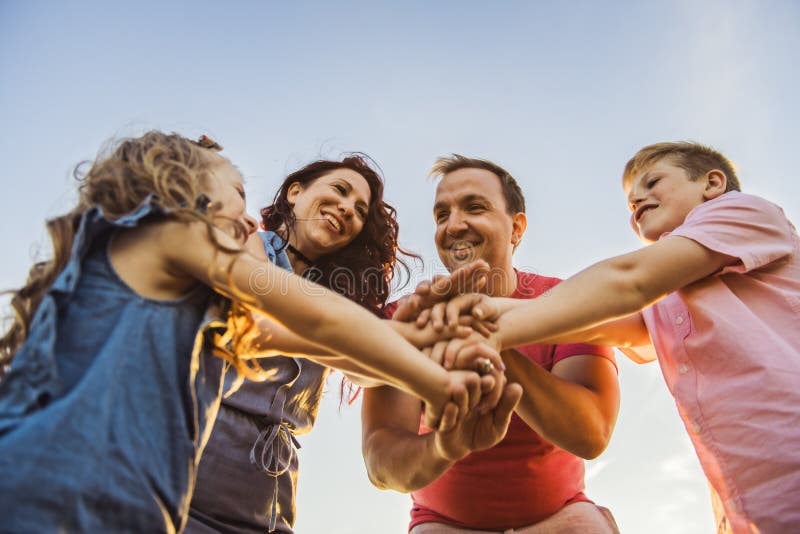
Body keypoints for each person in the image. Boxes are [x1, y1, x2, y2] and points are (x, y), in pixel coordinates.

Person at [0, 132, 489, 532]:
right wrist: (421, 365)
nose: (248, 214)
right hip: (101, 488)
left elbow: (329, 338)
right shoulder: (212, 247)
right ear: (179, 189)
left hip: (219, 500)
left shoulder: (210, 271)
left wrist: (408, 347)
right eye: (237, 194)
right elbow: (296, 324)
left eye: (361, 210)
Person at [439, 142, 800, 533]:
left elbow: (627, 281)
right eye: (630, 202)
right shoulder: (668, 295)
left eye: (653, 181)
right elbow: (592, 321)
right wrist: (462, 317)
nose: (637, 201)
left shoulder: (744, 213)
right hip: (748, 501)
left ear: (712, 183)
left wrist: (482, 327)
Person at [186, 155, 503, 534]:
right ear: (296, 191)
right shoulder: (250, 243)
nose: (347, 210)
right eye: (339, 190)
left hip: (270, 490)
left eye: (359, 210)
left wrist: (409, 346)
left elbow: (362, 371)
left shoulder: (336, 298)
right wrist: (384, 341)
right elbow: (259, 321)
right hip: (199, 457)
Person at [361, 155, 621, 533]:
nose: (454, 225)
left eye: (474, 207)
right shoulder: (406, 319)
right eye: (441, 214)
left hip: (561, 517)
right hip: (443, 524)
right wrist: (443, 447)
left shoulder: (565, 301)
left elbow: (590, 434)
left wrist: (491, 340)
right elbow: (381, 465)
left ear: (516, 228)